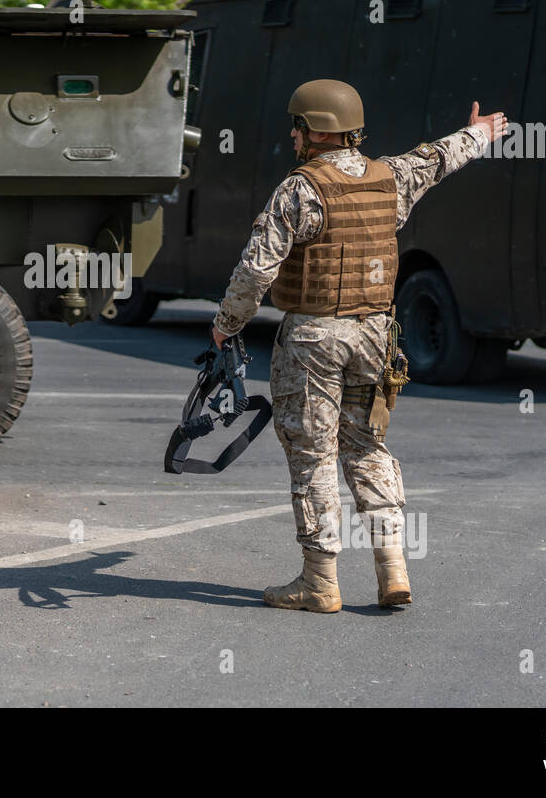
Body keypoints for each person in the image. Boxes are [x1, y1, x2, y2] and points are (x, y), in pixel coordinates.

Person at [211, 79, 508, 612]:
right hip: (375, 335)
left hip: (313, 340)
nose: (292, 136)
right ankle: (392, 567)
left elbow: (257, 270)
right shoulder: (391, 176)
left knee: (313, 451)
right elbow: (440, 158)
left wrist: (227, 324)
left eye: (295, 127)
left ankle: (319, 581)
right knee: (367, 445)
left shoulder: (299, 189)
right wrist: (478, 132)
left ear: (309, 132)